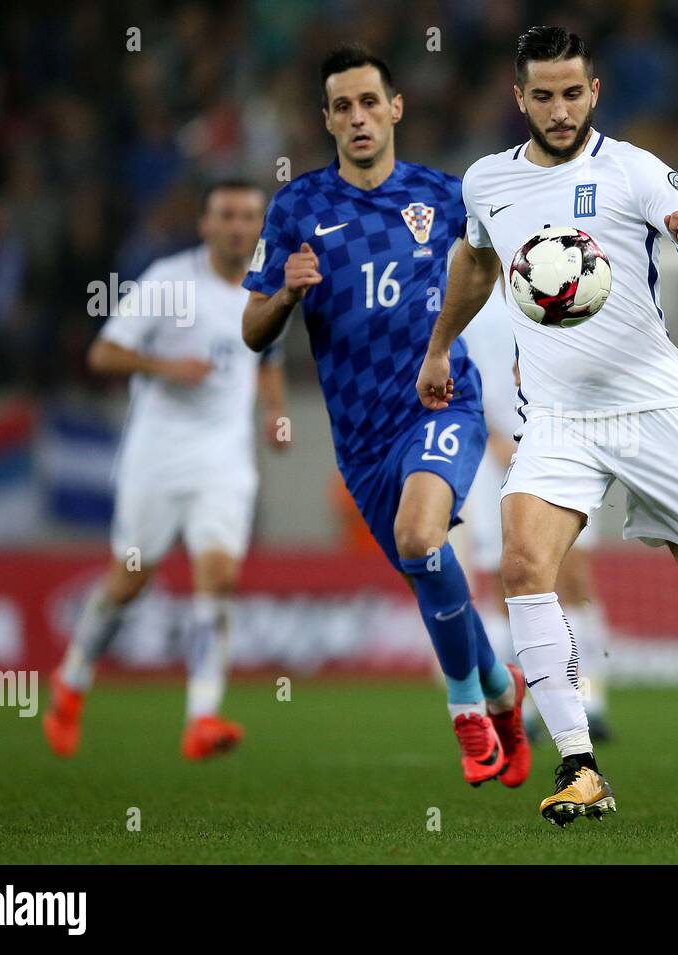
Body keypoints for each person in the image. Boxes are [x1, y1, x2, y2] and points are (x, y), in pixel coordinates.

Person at [416, 26, 678, 827]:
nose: (558, 108)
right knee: (520, 564)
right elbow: (476, 262)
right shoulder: (487, 183)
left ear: (595, 91)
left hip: (658, 410)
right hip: (559, 419)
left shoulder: (634, 170)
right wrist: (440, 345)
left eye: (571, 92)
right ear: (519, 97)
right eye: (541, 95)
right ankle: (580, 763)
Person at [240, 47, 529, 788]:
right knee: (427, 563)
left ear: (395, 108)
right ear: (327, 119)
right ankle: (500, 686)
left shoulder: (446, 195)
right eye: (343, 106)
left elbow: (504, 279)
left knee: (419, 534)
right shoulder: (298, 208)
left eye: (371, 102)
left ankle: (466, 706)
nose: (359, 117)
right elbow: (252, 330)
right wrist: (284, 295)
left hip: (442, 403)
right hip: (362, 440)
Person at [43, 180, 289, 761]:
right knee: (130, 581)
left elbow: (268, 359)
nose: (238, 226)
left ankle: (202, 716)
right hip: (155, 458)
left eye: (249, 216)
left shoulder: (267, 287)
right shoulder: (168, 281)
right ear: (204, 224)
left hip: (224, 462)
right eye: (226, 215)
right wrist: (163, 366)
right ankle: (73, 677)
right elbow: (103, 353)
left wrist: (276, 414)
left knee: (220, 575)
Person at [460, 291, 616, 740]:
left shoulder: (558, 278)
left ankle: (590, 699)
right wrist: (491, 437)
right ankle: (516, 707)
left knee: (574, 578)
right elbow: (459, 373)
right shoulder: (471, 298)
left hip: (564, 449)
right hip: (490, 453)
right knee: (504, 580)